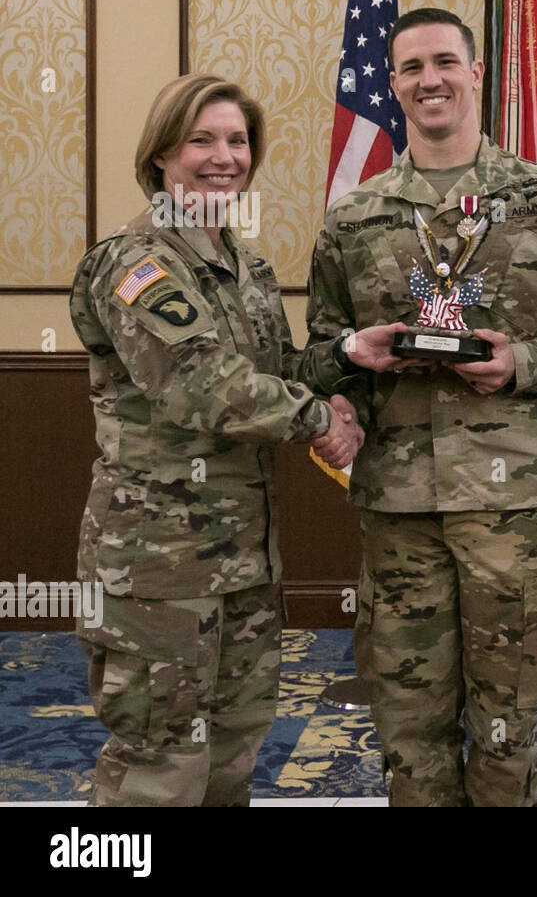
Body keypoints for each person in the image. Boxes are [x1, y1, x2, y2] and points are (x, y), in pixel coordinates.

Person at [304, 7, 537, 807]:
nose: (431, 80)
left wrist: (526, 361)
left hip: (516, 505)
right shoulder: (355, 217)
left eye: (446, 62)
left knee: (508, 723)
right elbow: (319, 349)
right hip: (402, 504)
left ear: (477, 73)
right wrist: (351, 371)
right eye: (412, 68)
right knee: (408, 723)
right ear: (392, 85)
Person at [69, 74, 408, 806]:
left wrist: (350, 353)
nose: (223, 156)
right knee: (159, 764)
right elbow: (200, 383)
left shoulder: (243, 264)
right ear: (161, 154)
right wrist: (321, 420)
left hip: (244, 558)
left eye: (237, 140)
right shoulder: (134, 261)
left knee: (231, 750)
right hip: (158, 567)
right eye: (201, 139)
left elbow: (273, 372)